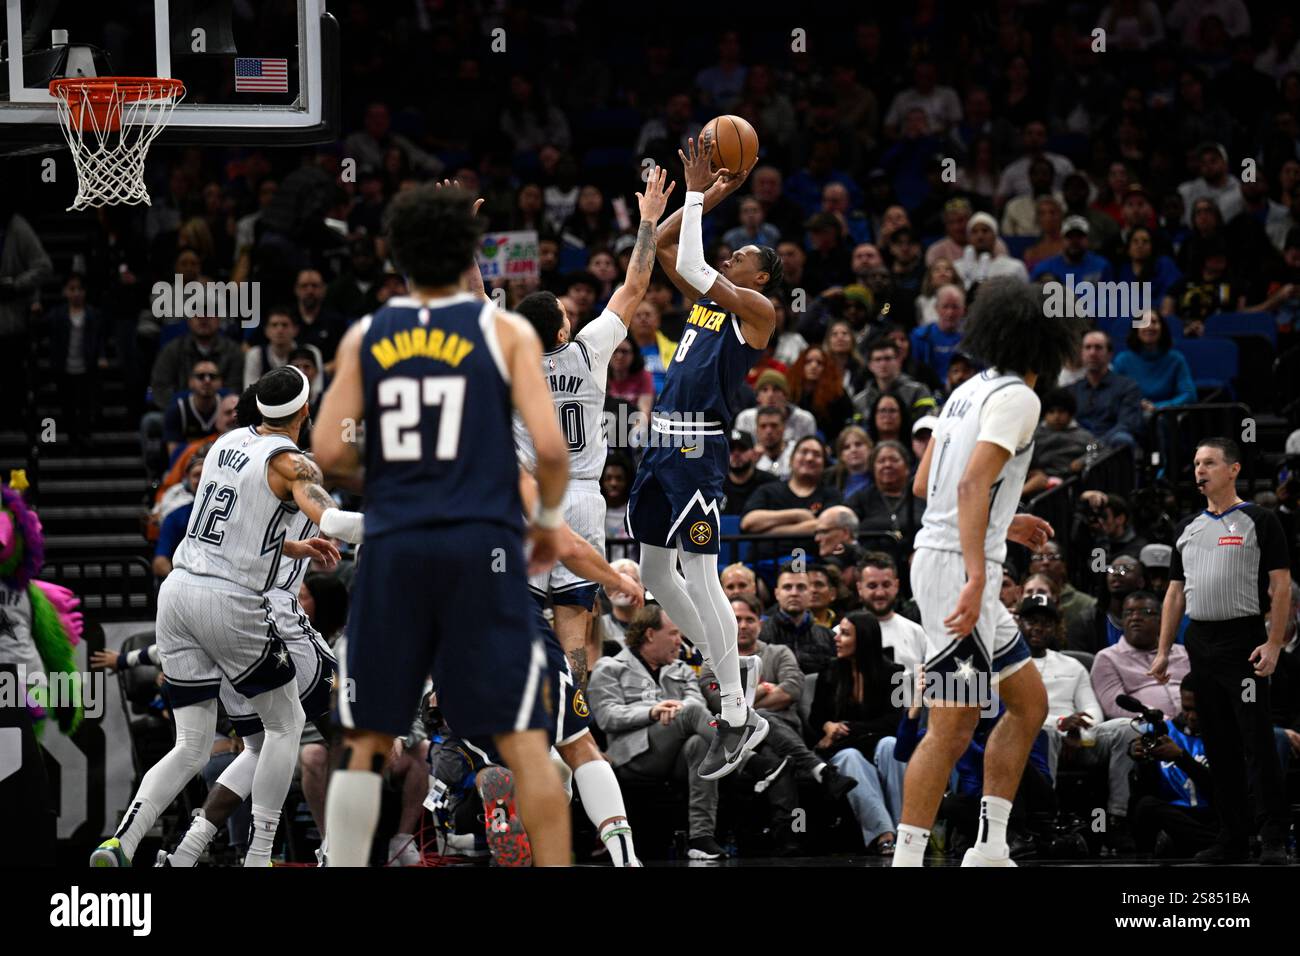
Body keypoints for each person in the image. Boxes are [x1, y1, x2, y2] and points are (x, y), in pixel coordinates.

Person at [312, 185, 573, 867]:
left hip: (396, 547)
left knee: (364, 739)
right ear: (469, 255)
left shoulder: (367, 334)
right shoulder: (505, 330)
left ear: (394, 259)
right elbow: (549, 451)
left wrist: (399, 474)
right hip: (480, 547)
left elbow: (330, 452)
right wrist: (545, 521)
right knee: (523, 739)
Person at [91, 367, 362, 868]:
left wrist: (296, 544)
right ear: (305, 411)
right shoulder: (294, 466)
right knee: (289, 725)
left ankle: (123, 842)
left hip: (178, 591)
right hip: (232, 603)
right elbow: (338, 521)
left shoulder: (224, 442)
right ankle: (260, 855)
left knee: (192, 745)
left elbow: (235, 528)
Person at [893, 277, 1078, 868]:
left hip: (950, 553)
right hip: (958, 569)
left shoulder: (967, 389)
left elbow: (927, 485)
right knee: (952, 723)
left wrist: (1005, 521)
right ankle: (906, 859)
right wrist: (977, 574)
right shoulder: (1021, 398)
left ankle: (991, 846)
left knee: (1028, 703)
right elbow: (971, 483)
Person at [512, 167, 674, 689]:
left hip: (531, 498)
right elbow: (635, 283)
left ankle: (526, 710)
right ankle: (573, 704)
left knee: (523, 616)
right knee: (575, 621)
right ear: (563, 328)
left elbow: (472, 303)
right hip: (584, 497)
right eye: (567, 310)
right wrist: (647, 219)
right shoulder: (589, 350)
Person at [1151, 438, 1292, 864]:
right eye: (1196, 463)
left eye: (1209, 462)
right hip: (1201, 641)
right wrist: (1162, 650)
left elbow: (1281, 585)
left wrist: (1273, 642)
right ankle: (1231, 836)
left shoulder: (1259, 520)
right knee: (1218, 742)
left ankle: (1272, 839)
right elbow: (1175, 594)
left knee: (1257, 741)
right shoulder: (1187, 527)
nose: (1200, 470)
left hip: (1244, 641)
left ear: (1232, 469)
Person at [586, 606, 726, 859]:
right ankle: (746, 756)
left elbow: (699, 708)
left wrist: (674, 712)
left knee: (699, 744)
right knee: (691, 711)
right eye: (674, 634)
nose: (679, 642)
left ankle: (701, 839)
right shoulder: (609, 667)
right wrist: (652, 711)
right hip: (632, 756)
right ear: (650, 634)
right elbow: (607, 717)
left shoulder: (681, 669)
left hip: (676, 751)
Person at [810, 611, 907, 855]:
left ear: (863, 639)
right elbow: (816, 718)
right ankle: (885, 834)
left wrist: (849, 727)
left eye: (844, 633)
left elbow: (895, 720)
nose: (836, 638)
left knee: (890, 745)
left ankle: (905, 832)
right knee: (851, 757)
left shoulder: (892, 672)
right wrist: (828, 727)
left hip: (875, 742)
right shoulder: (829, 671)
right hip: (843, 748)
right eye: (837, 632)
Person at [1129, 678, 1218, 858]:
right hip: (1174, 815)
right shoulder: (1163, 732)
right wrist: (1139, 757)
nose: (1192, 716)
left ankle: (1188, 843)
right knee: (1146, 806)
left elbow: (1222, 792)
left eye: (1198, 710)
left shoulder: (1226, 736)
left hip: (1211, 815)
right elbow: (1146, 790)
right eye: (1186, 709)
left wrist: (1181, 757)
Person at [1093, 590, 1190, 721]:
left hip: (1195, 724)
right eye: (1128, 613)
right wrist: (1165, 722)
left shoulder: (1184, 653)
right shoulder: (1107, 658)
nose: (1135, 617)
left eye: (1146, 612)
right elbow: (1114, 706)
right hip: (1143, 729)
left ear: (1161, 620)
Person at [740, 436, 843, 539]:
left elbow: (827, 526)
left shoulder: (832, 494)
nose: (809, 458)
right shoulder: (768, 490)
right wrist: (799, 515)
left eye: (817, 454)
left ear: (824, 464)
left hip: (813, 553)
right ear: (791, 459)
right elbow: (748, 522)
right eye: (803, 452)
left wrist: (767, 533)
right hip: (769, 554)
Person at [1068, 330, 1145, 453]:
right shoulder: (1071, 391)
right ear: (1081, 354)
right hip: (1077, 446)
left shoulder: (1128, 387)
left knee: (1123, 439)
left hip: (1111, 448)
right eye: (1088, 348)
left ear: (1109, 354)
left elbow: (1127, 424)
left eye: (1098, 348)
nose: (1092, 353)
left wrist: (1096, 445)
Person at [1021, 389, 1103, 496]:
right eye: (1051, 412)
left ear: (1070, 413)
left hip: (1072, 484)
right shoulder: (1033, 435)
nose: (1056, 416)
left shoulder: (1084, 436)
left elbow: (1100, 451)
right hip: (1038, 482)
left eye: (1061, 411)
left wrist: (1082, 461)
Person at [1113, 311, 1196, 415]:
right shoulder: (1122, 360)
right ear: (1136, 329)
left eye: (1154, 322)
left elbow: (1189, 394)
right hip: (1132, 416)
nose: (1149, 327)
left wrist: (1158, 407)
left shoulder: (1176, 359)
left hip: (1166, 416)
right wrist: (1136, 404)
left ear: (1162, 328)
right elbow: (1114, 395)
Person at [759, 565, 837, 674]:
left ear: (810, 593)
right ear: (777, 593)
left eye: (801, 587)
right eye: (787, 587)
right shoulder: (760, 634)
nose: (794, 593)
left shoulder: (829, 637)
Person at [845, 440, 924, 549]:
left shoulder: (921, 497)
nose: (887, 465)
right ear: (873, 469)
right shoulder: (860, 499)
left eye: (894, 460)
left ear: (907, 468)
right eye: (881, 461)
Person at [1028, 541, 1098, 652]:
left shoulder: (1087, 604)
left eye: (1052, 557)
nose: (1045, 562)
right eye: (1038, 557)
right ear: (1030, 567)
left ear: (1064, 565)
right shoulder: (1022, 601)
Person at [851, 337, 937, 422]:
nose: (883, 364)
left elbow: (925, 427)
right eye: (878, 359)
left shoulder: (918, 392)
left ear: (899, 361)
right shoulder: (860, 401)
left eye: (887, 358)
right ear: (870, 365)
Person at [786, 346, 854, 442]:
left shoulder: (837, 394)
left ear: (826, 367)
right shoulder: (790, 392)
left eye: (819, 363)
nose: (814, 366)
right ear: (801, 365)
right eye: (808, 362)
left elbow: (845, 427)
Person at [823, 425, 874, 498]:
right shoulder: (829, 479)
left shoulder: (880, 478)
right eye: (847, 447)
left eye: (858, 444)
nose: (853, 450)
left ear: (869, 448)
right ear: (841, 455)